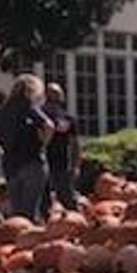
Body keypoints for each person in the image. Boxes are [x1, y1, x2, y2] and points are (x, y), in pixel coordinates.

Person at [0, 75, 53, 220]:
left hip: (11, 167)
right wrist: (43, 145)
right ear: (31, 90)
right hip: (32, 162)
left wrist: (0, 151)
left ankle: (18, 238)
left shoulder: (2, 110)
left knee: (17, 214)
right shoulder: (27, 106)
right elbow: (49, 125)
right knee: (30, 213)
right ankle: (30, 239)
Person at [43, 82, 80, 210]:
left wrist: (75, 165)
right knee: (67, 199)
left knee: (45, 201)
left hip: (43, 162)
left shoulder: (37, 115)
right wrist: (75, 166)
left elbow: (75, 144)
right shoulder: (67, 118)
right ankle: (76, 224)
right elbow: (75, 144)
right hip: (59, 163)